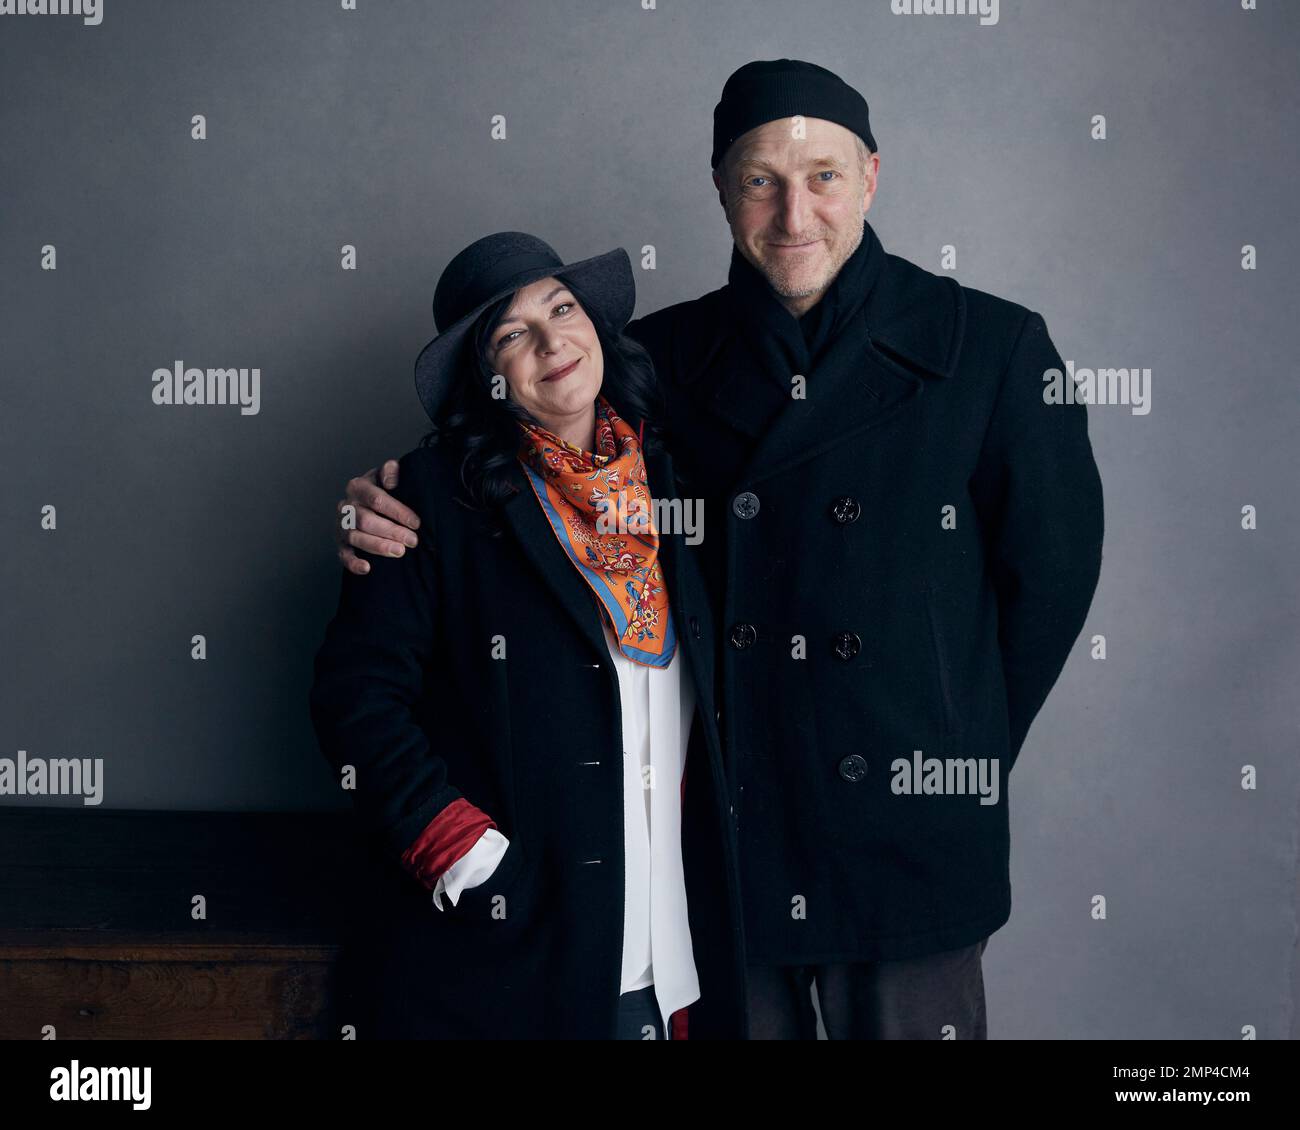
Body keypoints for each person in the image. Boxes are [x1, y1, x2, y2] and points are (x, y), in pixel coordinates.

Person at [329, 59, 1105, 1040]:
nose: (793, 214)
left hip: (906, 839)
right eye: (759, 180)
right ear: (720, 190)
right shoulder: (655, 361)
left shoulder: (989, 346)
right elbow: (524, 471)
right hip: (731, 845)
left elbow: (1050, 580)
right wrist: (381, 501)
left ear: (871, 174)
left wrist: (952, 748)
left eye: (821, 174)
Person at [309, 231, 746, 1039]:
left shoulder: (678, 482)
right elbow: (355, 697)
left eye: (563, 307)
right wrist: (464, 856)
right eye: (512, 333)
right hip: (516, 947)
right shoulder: (429, 501)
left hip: (674, 945)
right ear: (487, 377)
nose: (553, 341)